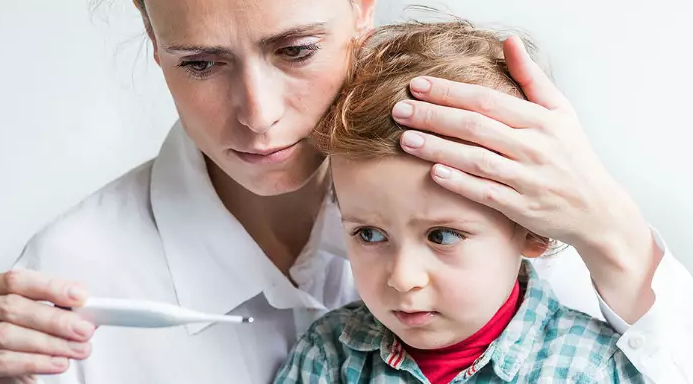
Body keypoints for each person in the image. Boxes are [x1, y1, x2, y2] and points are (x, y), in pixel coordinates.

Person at [0, 0, 693, 383]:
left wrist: (611, 232)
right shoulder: (72, 281)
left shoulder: (481, 182)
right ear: (152, 40)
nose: (259, 112)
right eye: (202, 62)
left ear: (363, 4)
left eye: (295, 50)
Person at [275, 20, 645, 383]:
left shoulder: (590, 370)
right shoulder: (327, 356)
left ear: (533, 230)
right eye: (369, 234)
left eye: (443, 236)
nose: (403, 279)